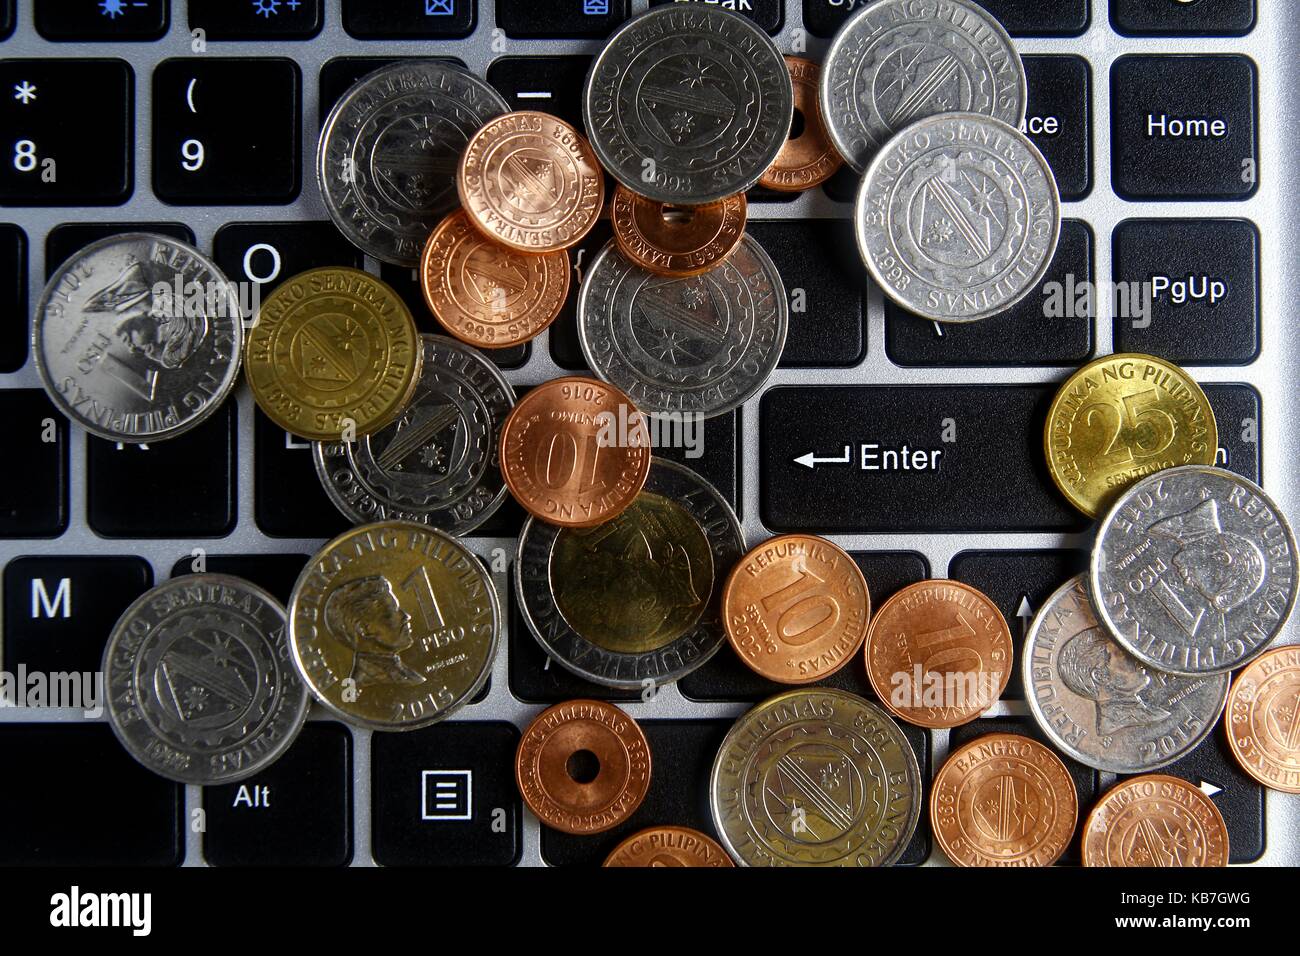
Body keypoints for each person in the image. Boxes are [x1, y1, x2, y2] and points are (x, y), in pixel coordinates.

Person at [1057, 626, 1170, 736]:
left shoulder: (1154, 714)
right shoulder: (1114, 726)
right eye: (1122, 654)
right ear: (1101, 676)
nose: (1135, 656)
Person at [323, 575, 425, 687]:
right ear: (365, 628)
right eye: (390, 614)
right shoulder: (365, 682)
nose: (406, 616)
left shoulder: (402, 673)